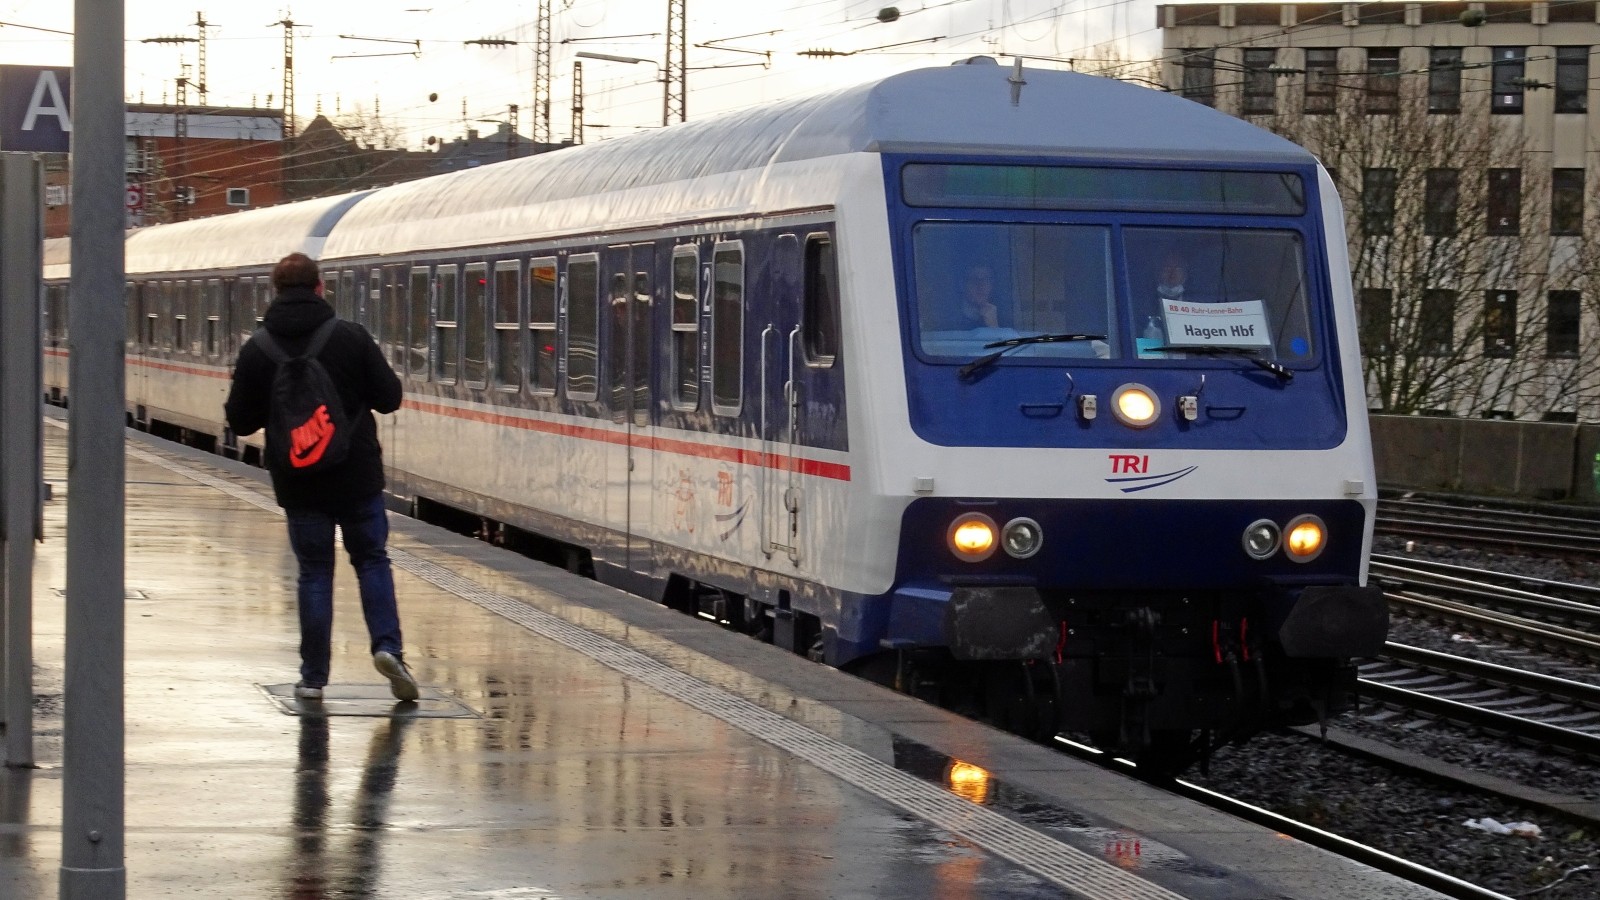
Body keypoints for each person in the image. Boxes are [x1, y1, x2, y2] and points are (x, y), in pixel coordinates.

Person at [224, 252, 417, 702]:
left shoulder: (259, 348)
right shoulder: (350, 337)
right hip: (356, 475)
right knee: (371, 560)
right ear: (320, 287)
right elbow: (389, 398)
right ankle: (388, 649)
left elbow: (241, 421)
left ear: (275, 291)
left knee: (313, 572)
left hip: (299, 479)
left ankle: (313, 677)